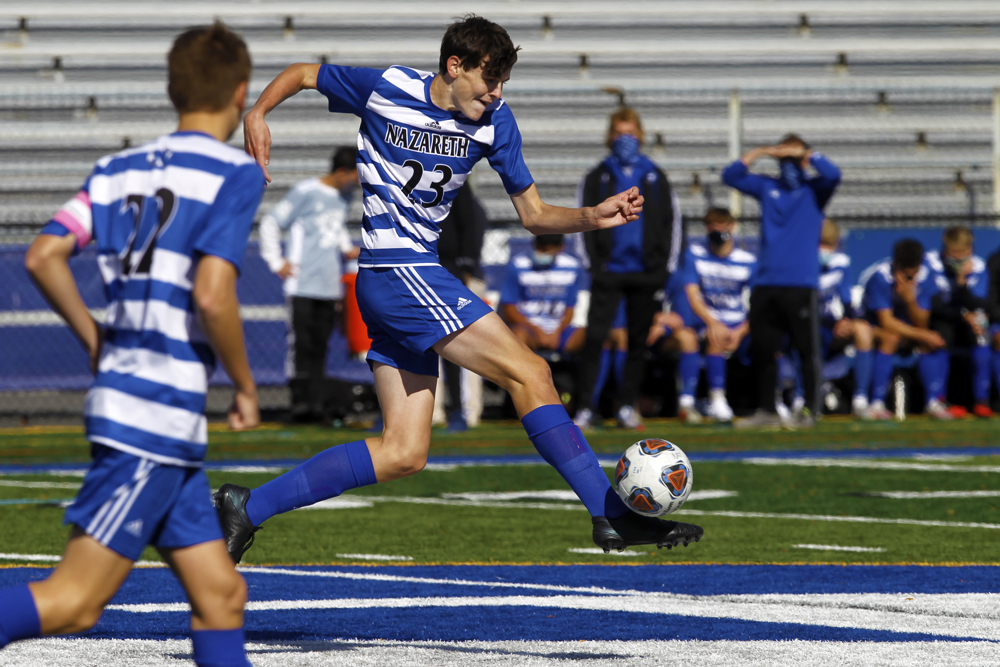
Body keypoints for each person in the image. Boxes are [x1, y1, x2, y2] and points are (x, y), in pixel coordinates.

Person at [214, 14, 703, 562]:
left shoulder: (496, 122)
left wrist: (593, 215)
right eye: (490, 80)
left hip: (401, 281)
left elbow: (535, 216)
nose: (497, 93)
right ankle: (610, 513)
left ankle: (245, 506)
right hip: (401, 273)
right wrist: (257, 112)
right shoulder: (390, 88)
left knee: (403, 452)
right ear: (454, 66)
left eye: (504, 84)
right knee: (532, 371)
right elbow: (306, 73)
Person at [0, 23, 263, 667]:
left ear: (173, 91)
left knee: (221, 594)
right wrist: (246, 384)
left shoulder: (117, 169)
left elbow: (43, 255)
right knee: (74, 602)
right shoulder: (235, 172)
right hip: (154, 410)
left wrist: (96, 338)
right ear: (241, 93)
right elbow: (212, 294)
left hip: (137, 402)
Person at [574, 107, 683, 431]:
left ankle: (626, 406)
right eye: (620, 134)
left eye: (631, 134)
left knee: (638, 343)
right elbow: (583, 218)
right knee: (595, 339)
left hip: (646, 272)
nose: (626, 141)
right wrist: (593, 265)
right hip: (608, 271)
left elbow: (672, 223)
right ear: (610, 137)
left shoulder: (655, 175)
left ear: (642, 137)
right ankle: (583, 407)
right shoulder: (597, 176)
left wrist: (664, 268)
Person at [723, 134, 841, 428]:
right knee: (763, 350)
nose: (788, 166)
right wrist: (763, 151)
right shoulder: (768, 186)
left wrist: (808, 153)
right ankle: (767, 411)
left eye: (793, 160)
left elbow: (833, 173)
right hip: (766, 283)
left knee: (806, 350)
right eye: (783, 160)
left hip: (801, 284)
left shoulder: (815, 191)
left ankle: (810, 410)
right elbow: (731, 175)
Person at [259, 146, 361, 422]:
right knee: (301, 346)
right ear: (342, 173)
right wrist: (276, 261)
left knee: (321, 346)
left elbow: (334, 226)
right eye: (354, 175)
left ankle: (316, 404)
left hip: (329, 285)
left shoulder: (345, 196)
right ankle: (299, 404)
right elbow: (270, 222)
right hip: (302, 284)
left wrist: (345, 247)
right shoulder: (305, 191)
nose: (357, 182)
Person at [659, 208, 754, 423]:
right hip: (706, 323)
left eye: (722, 225)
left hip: (737, 325)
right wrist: (713, 322)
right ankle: (704, 401)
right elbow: (692, 294)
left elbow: (759, 304)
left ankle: (776, 401)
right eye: (712, 226)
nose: (717, 230)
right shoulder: (695, 255)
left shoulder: (747, 260)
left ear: (732, 227)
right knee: (710, 336)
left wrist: (740, 331)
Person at [859, 238, 952, 419]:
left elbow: (922, 322)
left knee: (931, 341)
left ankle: (933, 402)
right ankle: (876, 403)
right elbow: (886, 321)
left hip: (907, 329)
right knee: (892, 337)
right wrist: (923, 335)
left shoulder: (925, 277)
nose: (910, 277)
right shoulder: (881, 277)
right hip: (875, 328)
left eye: (913, 273)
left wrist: (910, 300)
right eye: (904, 273)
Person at [816, 219, 883, 419]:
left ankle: (860, 400)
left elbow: (846, 300)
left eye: (830, 245)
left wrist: (845, 320)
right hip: (804, 324)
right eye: (821, 245)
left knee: (862, 328)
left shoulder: (841, 263)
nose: (825, 251)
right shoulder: (800, 264)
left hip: (828, 324)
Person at [436, 182, 489, 431]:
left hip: (451, 269)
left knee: (459, 344)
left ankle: (463, 409)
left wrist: (466, 264)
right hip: (421, 266)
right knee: (419, 343)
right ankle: (428, 412)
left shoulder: (454, 178)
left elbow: (472, 221)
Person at [925, 226, 991, 417]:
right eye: (954, 253)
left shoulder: (978, 267)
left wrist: (962, 283)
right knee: (940, 336)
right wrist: (962, 315)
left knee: (981, 334)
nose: (958, 258)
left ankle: (981, 400)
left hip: (968, 321)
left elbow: (979, 303)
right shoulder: (932, 265)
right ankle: (937, 400)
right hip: (942, 319)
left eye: (962, 253)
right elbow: (934, 306)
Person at [499, 233, 586, 355]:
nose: (542, 253)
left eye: (547, 251)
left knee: (594, 335)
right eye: (539, 248)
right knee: (517, 336)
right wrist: (536, 330)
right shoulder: (518, 265)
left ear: (561, 247)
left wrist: (557, 332)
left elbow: (570, 309)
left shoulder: (572, 267)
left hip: (560, 331)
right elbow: (509, 309)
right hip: (528, 330)